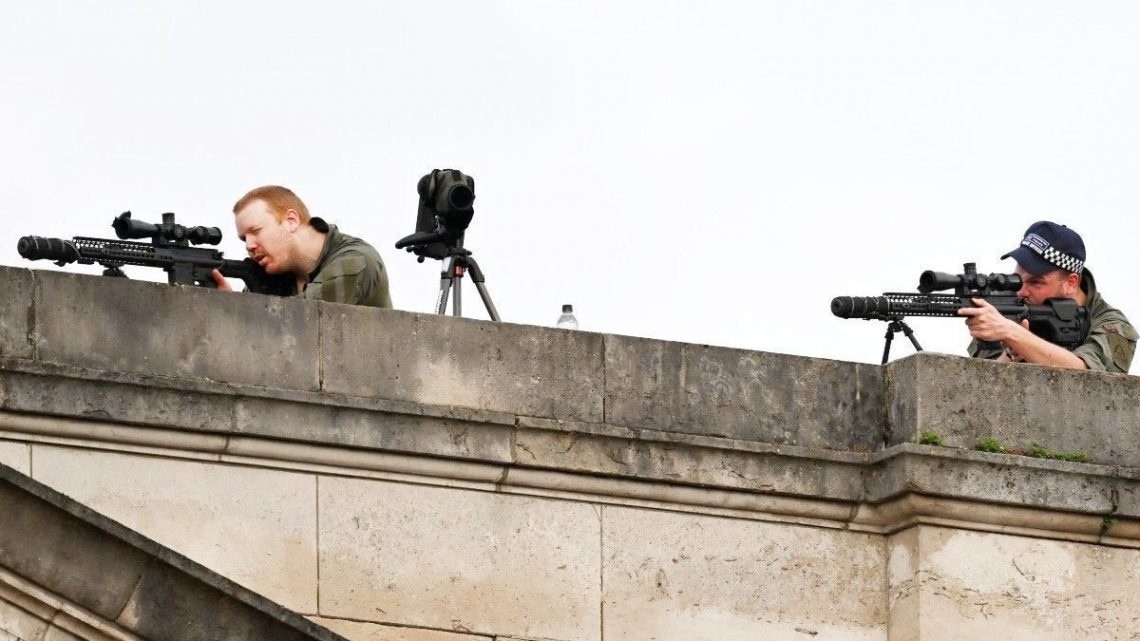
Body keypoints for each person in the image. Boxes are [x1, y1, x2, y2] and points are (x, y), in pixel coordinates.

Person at [960, 221, 1135, 373]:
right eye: (1018, 279)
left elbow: (1088, 377)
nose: (1022, 291)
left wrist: (1013, 334)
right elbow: (985, 384)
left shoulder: (1111, 324)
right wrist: (1011, 354)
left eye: (1036, 282)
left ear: (1071, 283)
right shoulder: (1004, 304)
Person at [210, 185, 392, 308]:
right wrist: (229, 303)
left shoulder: (356, 260)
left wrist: (237, 310)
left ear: (291, 221)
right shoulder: (271, 272)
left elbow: (302, 321)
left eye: (256, 231)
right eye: (244, 239)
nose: (249, 245)